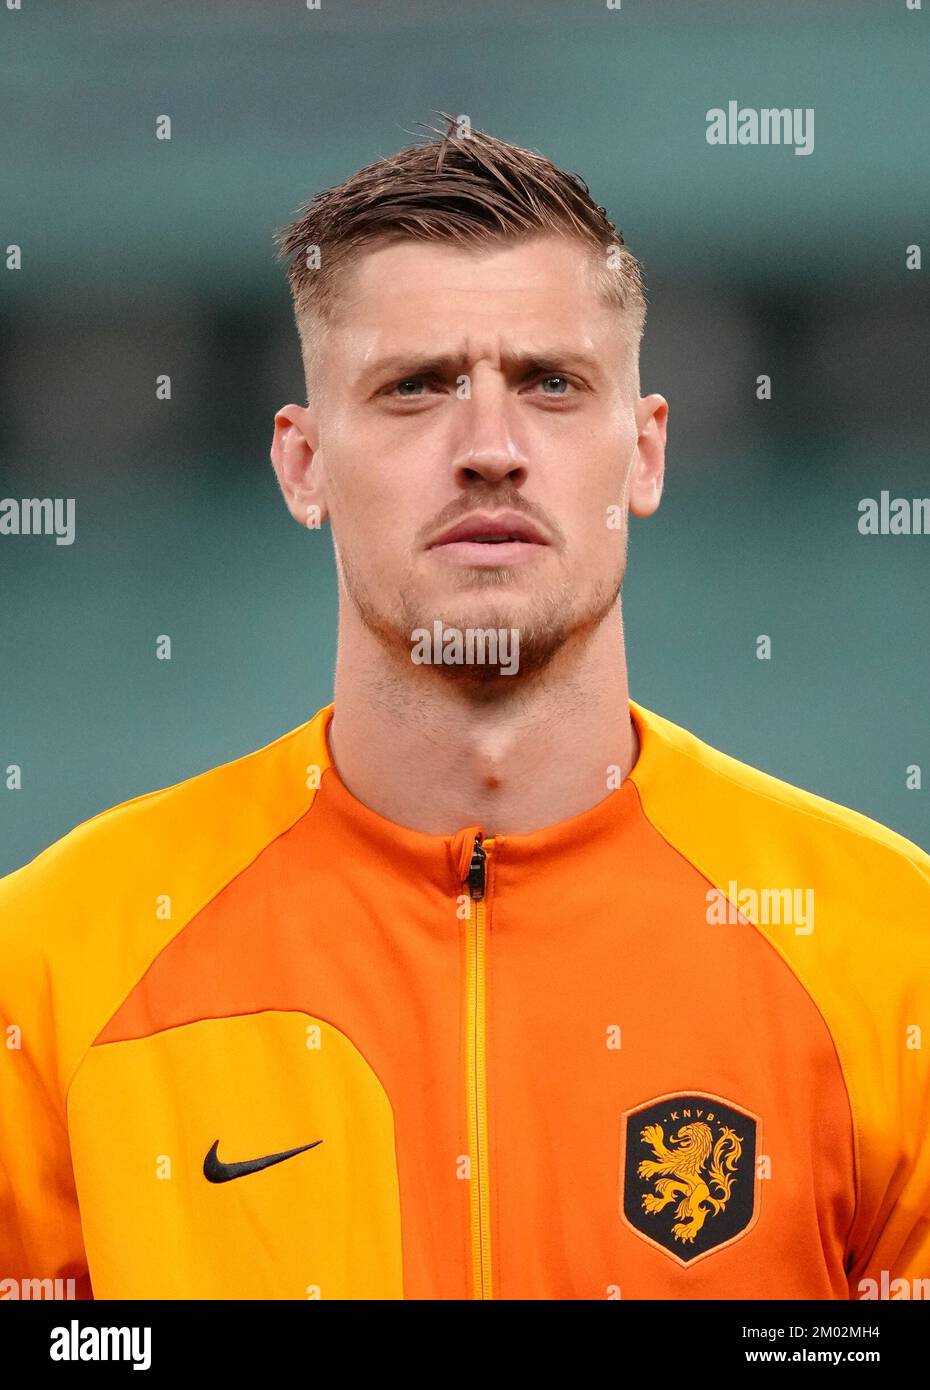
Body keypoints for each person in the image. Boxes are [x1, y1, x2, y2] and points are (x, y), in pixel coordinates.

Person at [1, 120, 927, 1302]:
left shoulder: (895, 955)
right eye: (414, 387)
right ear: (304, 464)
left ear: (643, 453)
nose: (490, 448)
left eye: (550, 383)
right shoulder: (48, 970)